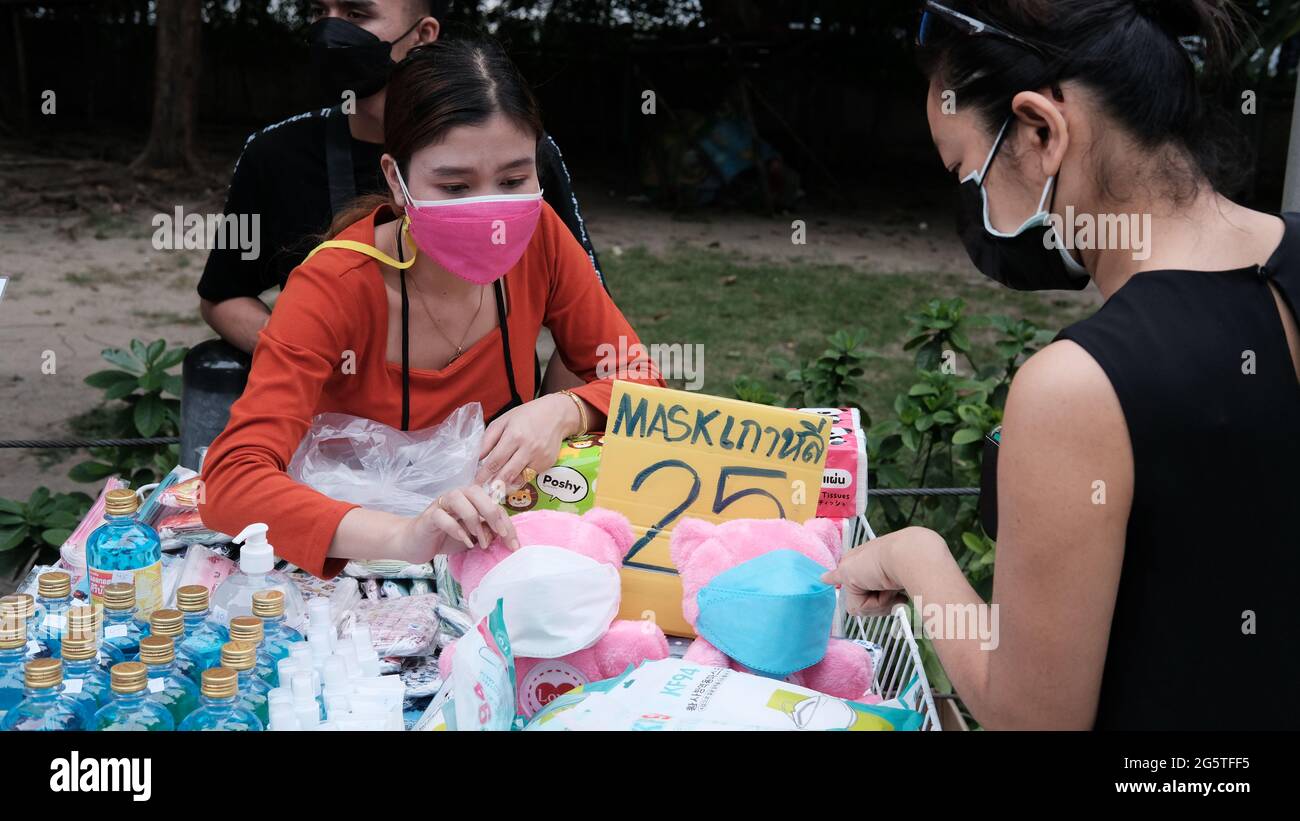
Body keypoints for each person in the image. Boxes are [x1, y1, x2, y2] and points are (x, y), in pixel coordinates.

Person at [826, 0, 1299, 730]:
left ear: (1042, 129)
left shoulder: (1079, 386)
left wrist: (916, 558)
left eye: (966, 173)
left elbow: (1033, 720)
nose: (972, 208)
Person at [197, 37, 663, 579]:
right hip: (354, 557)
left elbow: (638, 379)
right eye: (455, 186)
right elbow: (230, 482)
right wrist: (406, 534)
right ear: (397, 180)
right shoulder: (332, 286)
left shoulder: (544, 239)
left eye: (514, 180)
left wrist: (564, 409)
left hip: (495, 537)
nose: (491, 209)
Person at [198, 0, 600, 393]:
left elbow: (588, 329)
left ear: (423, 34)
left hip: (497, 445)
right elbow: (223, 295)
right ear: (393, 176)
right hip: (339, 443)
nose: (329, 31)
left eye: (356, 14)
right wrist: (303, 352)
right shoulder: (274, 154)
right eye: (320, 12)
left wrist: (552, 427)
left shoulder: (513, 152)